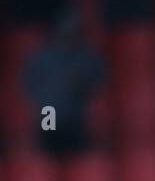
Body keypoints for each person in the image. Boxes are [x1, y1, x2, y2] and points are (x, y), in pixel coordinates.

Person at [23, 12, 105, 156]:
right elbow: (29, 83)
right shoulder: (43, 57)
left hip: (74, 116)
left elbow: (97, 81)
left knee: (76, 156)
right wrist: (45, 97)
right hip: (49, 112)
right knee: (47, 155)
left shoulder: (85, 57)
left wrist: (81, 84)